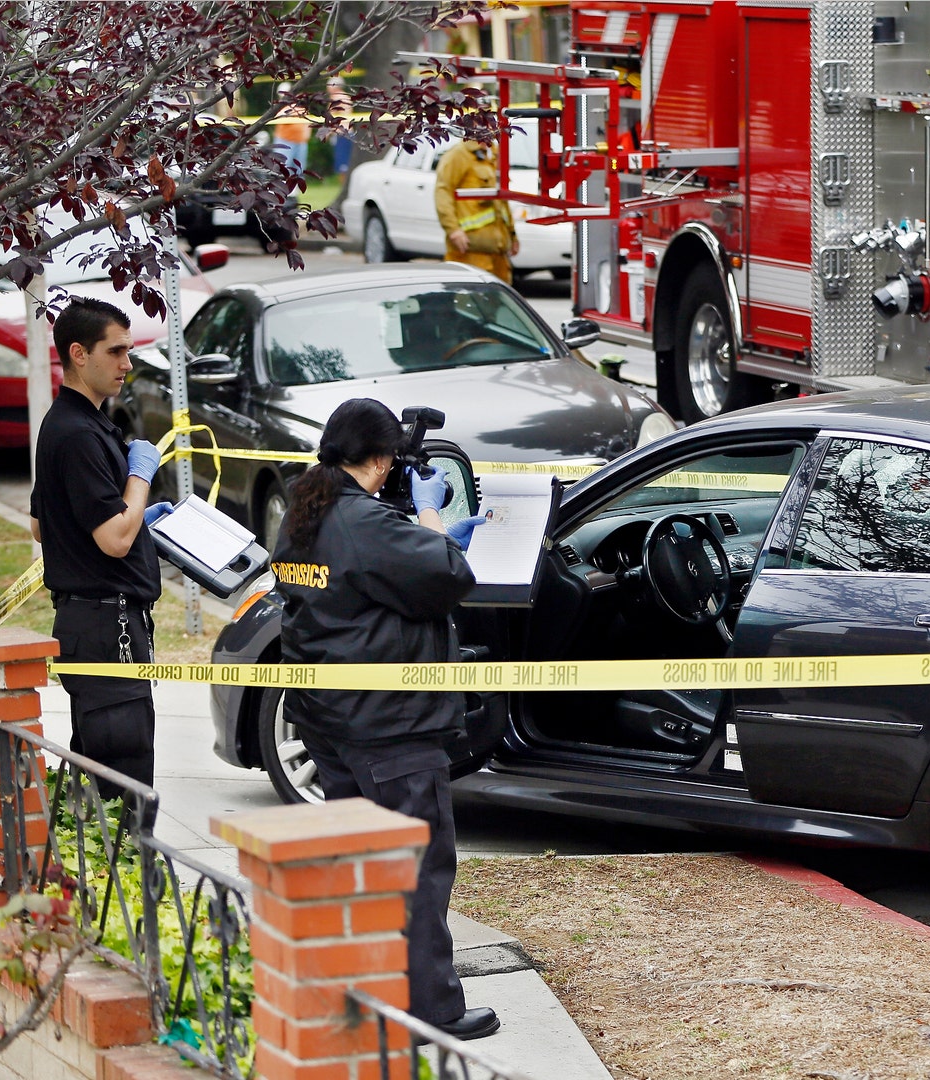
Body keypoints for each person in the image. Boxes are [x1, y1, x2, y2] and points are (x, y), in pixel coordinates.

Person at [270, 398, 499, 1040]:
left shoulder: (303, 509)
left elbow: (359, 590)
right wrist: (430, 515)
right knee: (419, 864)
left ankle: (371, 994)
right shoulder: (361, 520)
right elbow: (450, 573)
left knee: (367, 864)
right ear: (377, 460)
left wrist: (408, 526)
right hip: (388, 724)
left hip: (330, 719)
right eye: (394, 460)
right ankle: (432, 1011)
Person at [29, 298, 171, 789]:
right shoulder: (76, 434)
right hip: (107, 625)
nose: (127, 364)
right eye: (116, 352)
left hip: (92, 622)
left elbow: (40, 525)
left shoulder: (70, 423)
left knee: (98, 781)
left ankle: (96, 866)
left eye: (128, 351)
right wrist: (139, 481)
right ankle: (133, 867)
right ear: (78, 354)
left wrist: (138, 524)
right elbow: (113, 538)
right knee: (124, 788)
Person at [434, 139, 519, 282]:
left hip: (499, 255)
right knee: (469, 301)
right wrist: (453, 230)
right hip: (470, 252)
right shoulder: (458, 155)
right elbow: (443, 192)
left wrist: (512, 234)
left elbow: (502, 202)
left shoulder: (493, 154)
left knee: (499, 302)